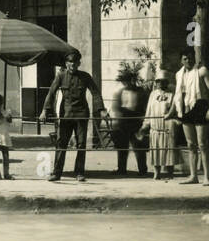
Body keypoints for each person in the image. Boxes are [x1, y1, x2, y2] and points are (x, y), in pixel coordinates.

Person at [39, 49, 108, 182]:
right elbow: (51, 93)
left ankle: (80, 172)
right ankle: (56, 173)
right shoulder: (61, 76)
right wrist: (45, 110)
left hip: (81, 114)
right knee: (61, 143)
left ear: (79, 63)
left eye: (75, 62)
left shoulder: (85, 76)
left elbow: (96, 93)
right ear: (66, 63)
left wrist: (101, 109)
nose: (73, 65)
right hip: (66, 115)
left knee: (81, 144)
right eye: (70, 62)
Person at [170, 52, 209, 186]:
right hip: (186, 108)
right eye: (185, 58)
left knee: (202, 144)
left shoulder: (202, 71)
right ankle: (193, 176)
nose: (188, 60)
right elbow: (177, 95)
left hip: (201, 106)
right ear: (181, 61)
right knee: (191, 145)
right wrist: (172, 112)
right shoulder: (179, 75)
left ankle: (207, 177)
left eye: (190, 57)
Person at [111, 71, 150, 177]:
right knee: (122, 147)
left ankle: (143, 170)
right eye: (125, 81)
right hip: (123, 122)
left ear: (133, 80)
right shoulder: (119, 93)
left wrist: (144, 120)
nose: (127, 83)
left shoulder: (141, 92)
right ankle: (121, 169)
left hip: (136, 121)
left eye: (128, 81)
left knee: (139, 147)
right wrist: (117, 122)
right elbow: (115, 108)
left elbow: (146, 107)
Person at [142, 70, 177, 180]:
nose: (160, 84)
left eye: (163, 81)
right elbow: (149, 110)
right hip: (155, 127)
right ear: (156, 83)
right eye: (158, 81)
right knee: (155, 149)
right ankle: (156, 173)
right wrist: (145, 124)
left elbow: (175, 110)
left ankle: (170, 173)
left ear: (167, 82)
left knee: (168, 149)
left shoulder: (172, 95)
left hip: (167, 127)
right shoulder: (153, 94)